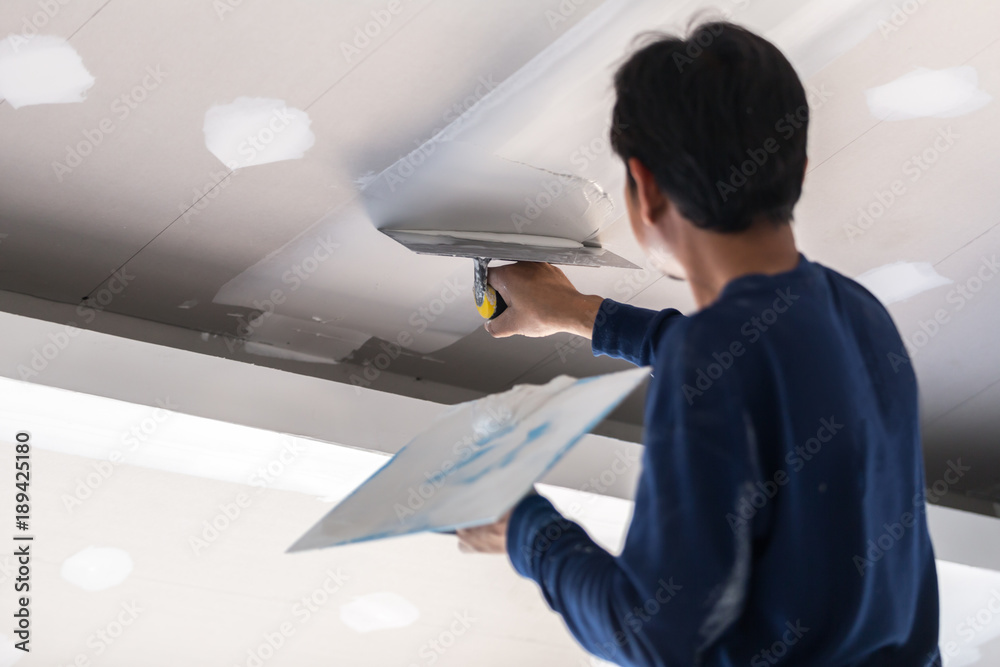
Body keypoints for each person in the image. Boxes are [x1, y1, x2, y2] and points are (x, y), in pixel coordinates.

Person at [456, 20, 941, 667]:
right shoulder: (858, 312)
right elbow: (750, 366)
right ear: (798, 168)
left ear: (647, 189)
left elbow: (652, 634)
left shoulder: (714, 355)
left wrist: (525, 530)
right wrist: (580, 313)